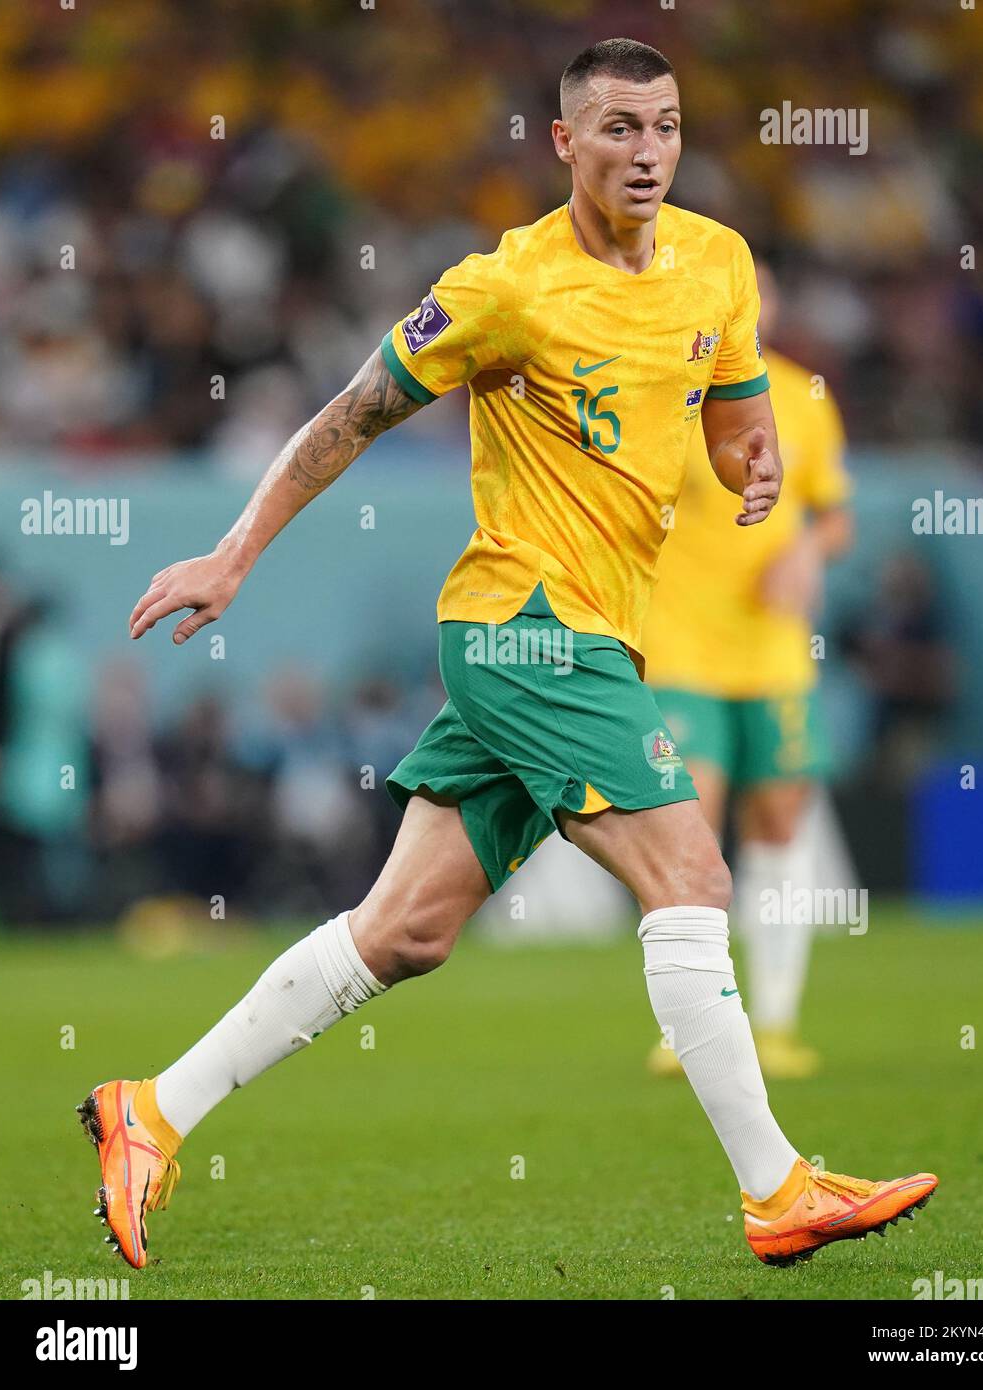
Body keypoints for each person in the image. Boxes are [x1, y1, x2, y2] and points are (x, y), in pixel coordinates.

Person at [82, 38, 935, 1273]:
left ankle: (148, 1111)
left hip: (591, 638)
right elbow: (345, 418)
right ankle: (777, 1188)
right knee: (691, 873)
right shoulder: (505, 286)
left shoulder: (717, 262)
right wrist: (231, 554)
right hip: (527, 627)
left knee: (405, 929)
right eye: (617, 130)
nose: (646, 152)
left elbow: (734, 422)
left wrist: (747, 470)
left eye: (665, 127)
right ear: (563, 142)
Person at [643, 261, 854, 1081]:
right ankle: (690, 1026)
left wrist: (807, 550)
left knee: (779, 827)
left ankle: (773, 1022)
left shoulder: (805, 398)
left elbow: (834, 516)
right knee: (687, 830)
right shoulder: (665, 394)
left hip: (773, 653)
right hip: (680, 649)